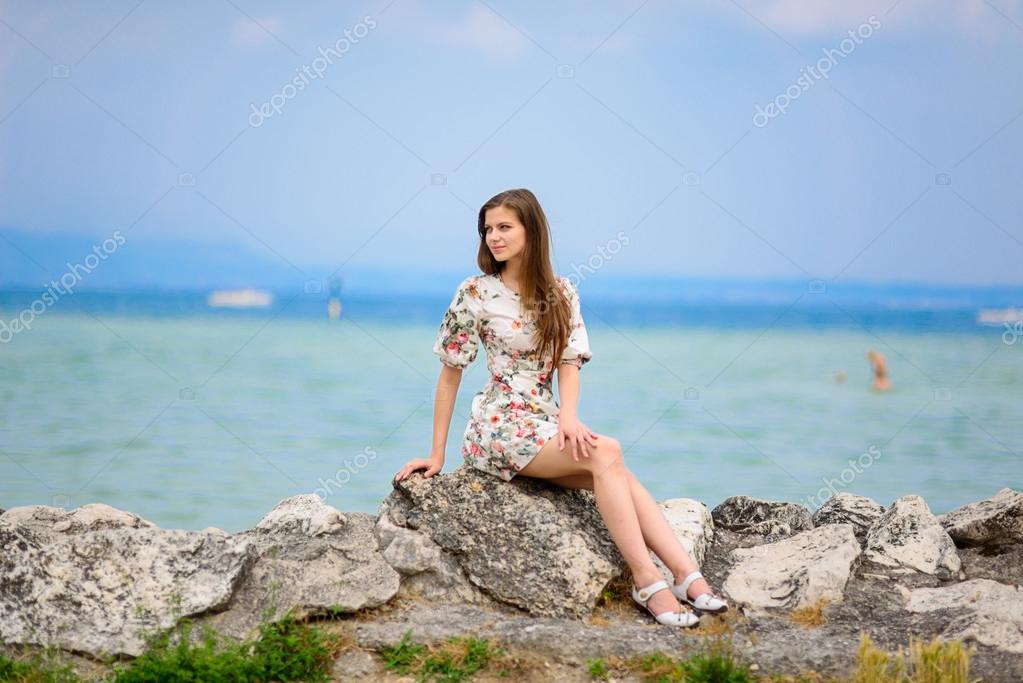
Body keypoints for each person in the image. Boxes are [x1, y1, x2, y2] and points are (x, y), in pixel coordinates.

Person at [393, 188, 727, 627]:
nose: (494, 237)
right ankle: (648, 579)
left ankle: (685, 576)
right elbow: (450, 373)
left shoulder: (562, 291)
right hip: (498, 428)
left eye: (504, 227)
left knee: (614, 472)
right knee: (607, 452)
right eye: (488, 229)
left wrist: (568, 415)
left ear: (531, 230)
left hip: (544, 421)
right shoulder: (474, 292)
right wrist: (437, 453)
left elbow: (569, 362)